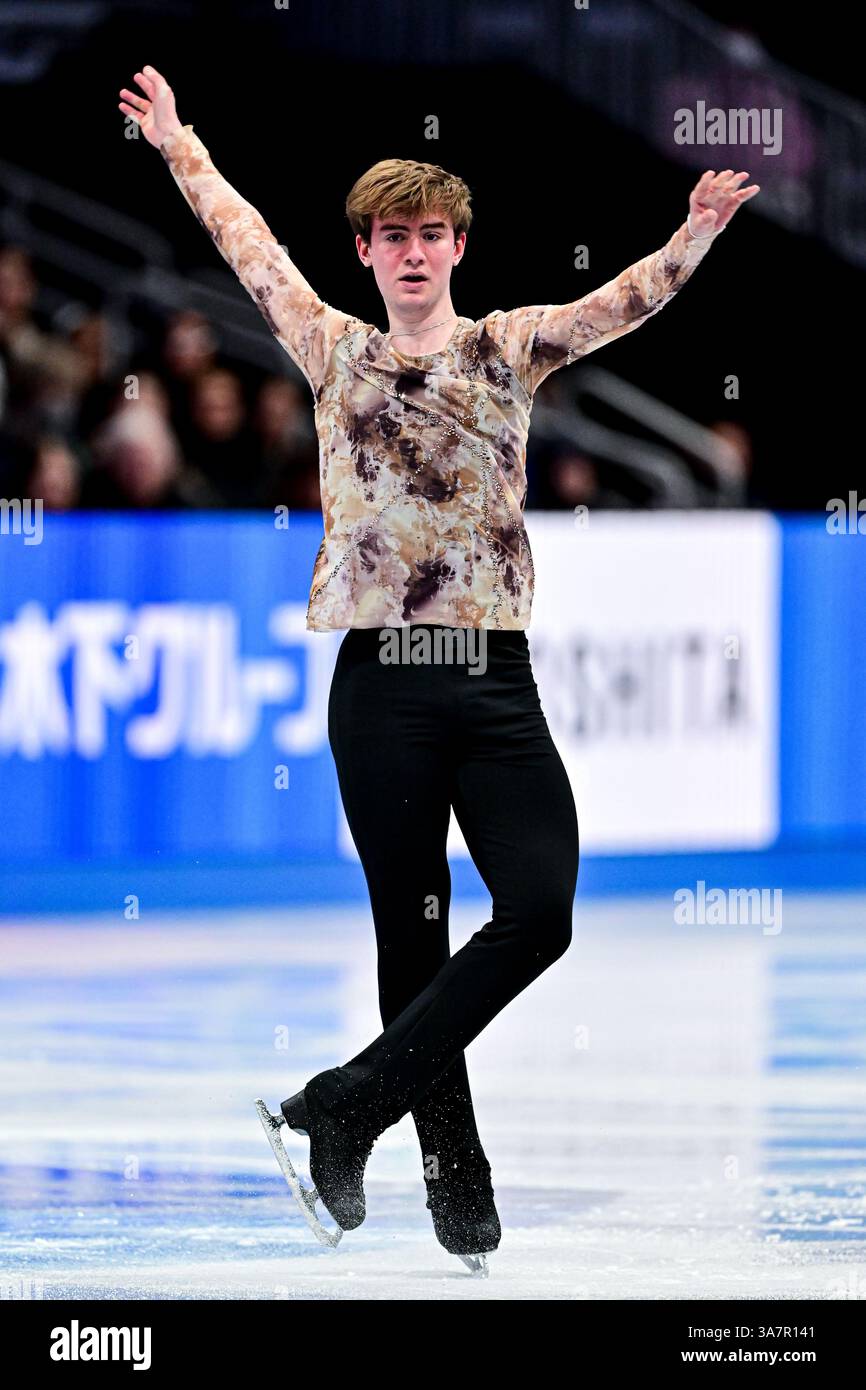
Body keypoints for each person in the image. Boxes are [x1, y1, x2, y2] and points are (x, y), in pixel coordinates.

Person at [118, 66, 758, 1267]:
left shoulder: (507, 348)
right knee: (408, 943)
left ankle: (342, 1103)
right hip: (379, 689)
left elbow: (613, 306)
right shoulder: (329, 348)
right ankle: (453, 1186)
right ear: (363, 252)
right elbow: (240, 235)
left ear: (457, 246)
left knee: (540, 911)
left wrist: (691, 234)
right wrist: (175, 141)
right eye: (391, 237)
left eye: (430, 235)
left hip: (492, 682)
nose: (412, 254)